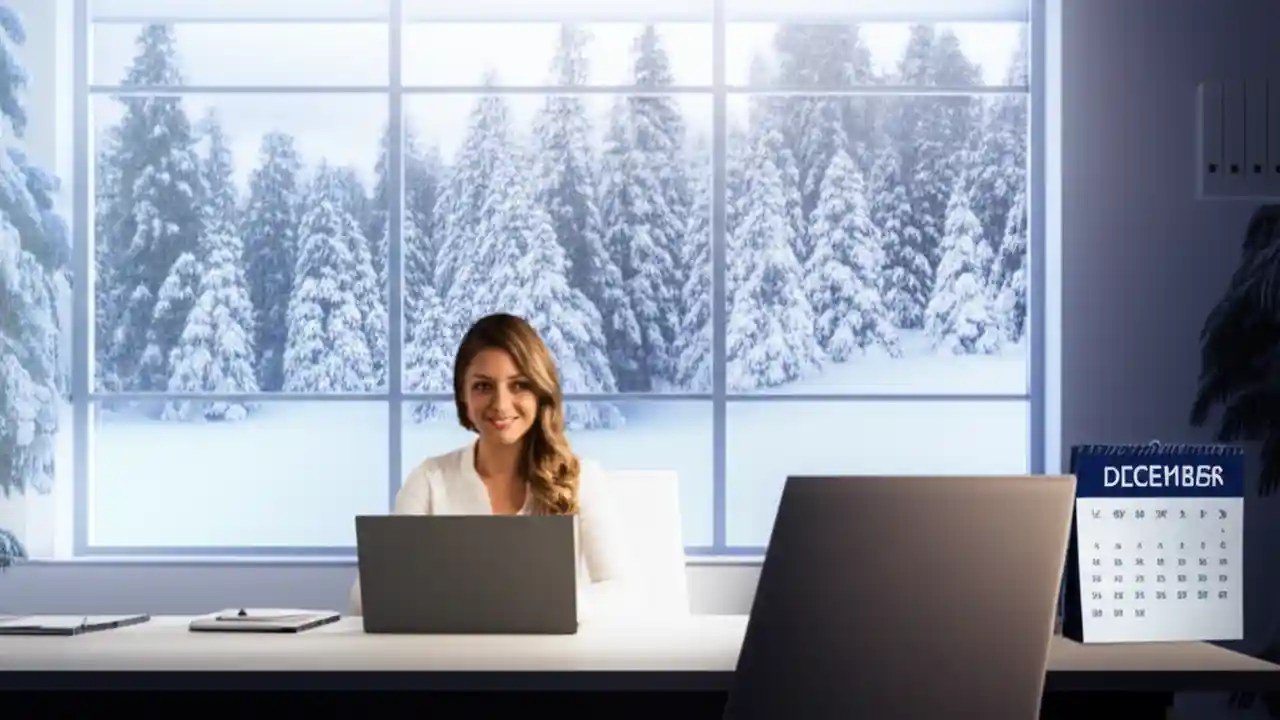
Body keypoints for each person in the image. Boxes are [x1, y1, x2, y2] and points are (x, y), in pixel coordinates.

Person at [348, 312, 632, 617]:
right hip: (453, 648)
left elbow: (620, 590)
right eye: (483, 386)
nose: (501, 404)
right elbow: (364, 596)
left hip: (545, 647)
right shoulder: (430, 480)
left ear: (540, 391)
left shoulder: (581, 478)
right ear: (463, 396)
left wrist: (545, 605)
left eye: (519, 385)